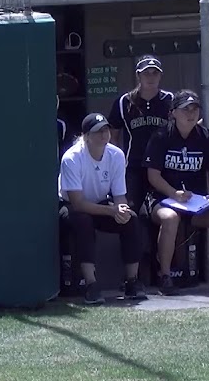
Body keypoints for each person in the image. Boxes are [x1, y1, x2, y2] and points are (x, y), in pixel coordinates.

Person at [143, 90, 209, 295]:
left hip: (195, 204)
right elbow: (153, 176)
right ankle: (165, 276)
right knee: (170, 218)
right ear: (173, 113)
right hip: (164, 199)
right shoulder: (161, 136)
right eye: (185, 109)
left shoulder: (206, 137)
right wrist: (174, 193)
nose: (191, 113)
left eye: (195, 109)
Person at [59, 112, 147, 304]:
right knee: (84, 221)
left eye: (106, 130)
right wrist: (112, 211)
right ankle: (91, 284)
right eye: (98, 131)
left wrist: (121, 210)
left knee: (131, 219)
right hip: (71, 207)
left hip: (101, 204)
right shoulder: (71, 158)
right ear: (86, 136)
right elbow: (78, 203)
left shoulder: (116, 155)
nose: (103, 135)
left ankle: (132, 281)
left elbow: (119, 196)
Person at [107, 55, 174, 217]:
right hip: (134, 167)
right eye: (146, 73)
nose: (151, 77)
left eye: (155, 73)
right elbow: (112, 135)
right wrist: (117, 165)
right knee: (128, 214)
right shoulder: (124, 102)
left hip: (163, 167)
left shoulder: (170, 100)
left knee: (167, 211)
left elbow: (189, 123)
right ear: (138, 75)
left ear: (160, 75)